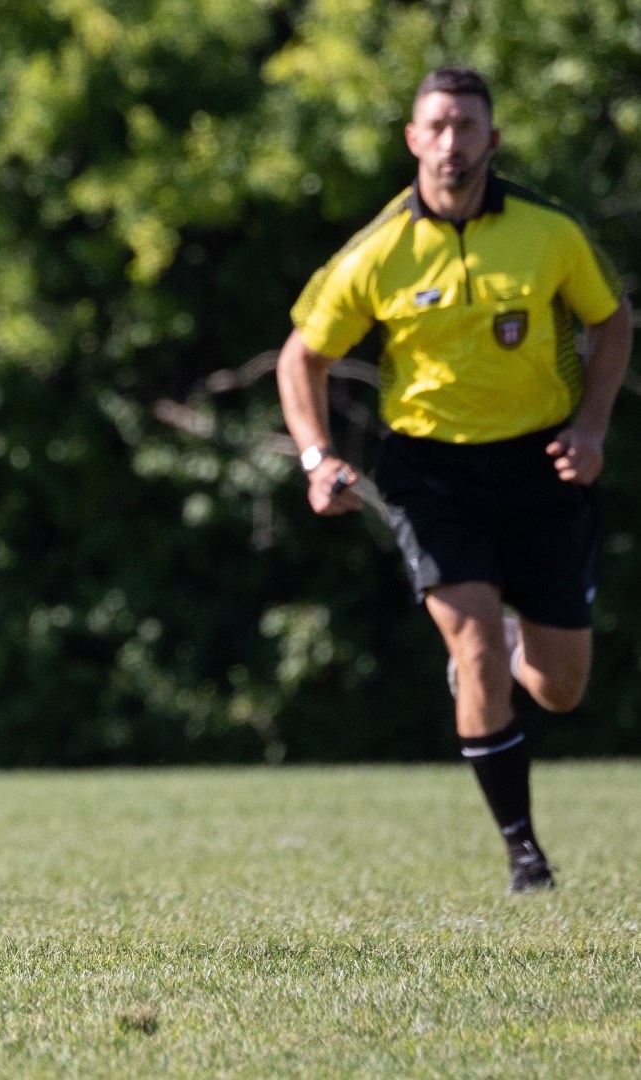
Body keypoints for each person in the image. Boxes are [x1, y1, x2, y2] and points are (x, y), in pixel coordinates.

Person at [278, 67, 631, 893]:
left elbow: (610, 324)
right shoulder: (379, 251)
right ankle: (524, 854)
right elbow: (304, 356)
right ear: (411, 139)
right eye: (435, 126)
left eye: (467, 127)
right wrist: (316, 456)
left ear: (492, 141)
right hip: (430, 472)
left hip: (542, 463)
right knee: (470, 647)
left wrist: (591, 429)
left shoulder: (548, 234)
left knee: (560, 689)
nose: (451, 142)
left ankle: (514, 646)